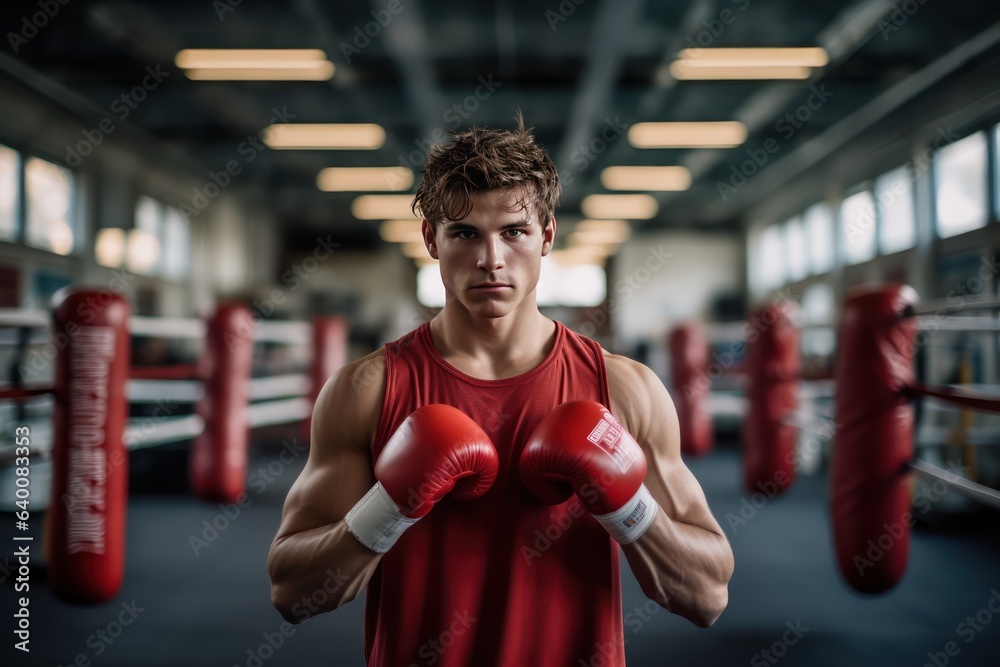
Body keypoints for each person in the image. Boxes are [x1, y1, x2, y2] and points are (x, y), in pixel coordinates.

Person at [267, 116, 734, 666]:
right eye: (465, 233)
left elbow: (706, 596)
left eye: (514, 231)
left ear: (547, 237)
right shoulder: (368, 390)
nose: (491, 259)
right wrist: (388, 506)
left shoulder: (625, 389)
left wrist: (627, 503)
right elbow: (292, 594)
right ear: (431, 240)